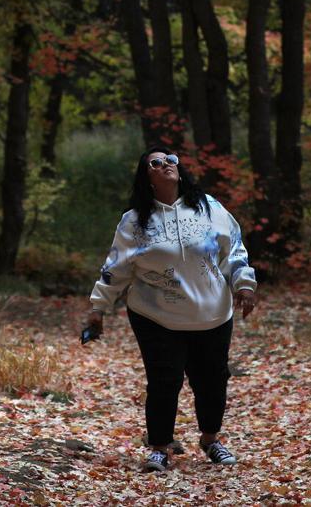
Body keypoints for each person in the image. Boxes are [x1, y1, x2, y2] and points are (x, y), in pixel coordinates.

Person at [83, 147, 257, 473]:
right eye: (156, 163)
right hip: (155, 315)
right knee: (164, 381)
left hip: (212, 313)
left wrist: (244, 284)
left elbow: (233, 248)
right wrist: (98, 308)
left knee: (212, 380)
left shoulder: (208, 208)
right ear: (146, 177)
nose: (167, 165)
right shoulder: (135, 222)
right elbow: (116, 267)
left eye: (171, 160)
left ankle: (210, 440)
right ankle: (160, 448)